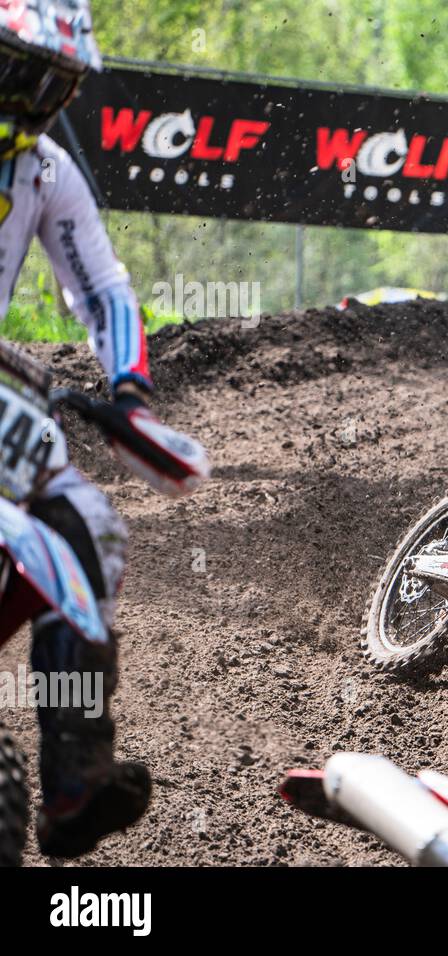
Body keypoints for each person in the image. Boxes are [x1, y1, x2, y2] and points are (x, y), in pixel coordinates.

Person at [0, 0, 209, 857]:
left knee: (86, 518)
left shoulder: (43, 172)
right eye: (21, 72)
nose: (33, 98)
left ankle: (75, 775)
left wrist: (127, 393)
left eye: (54, 86)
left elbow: (105, 288)